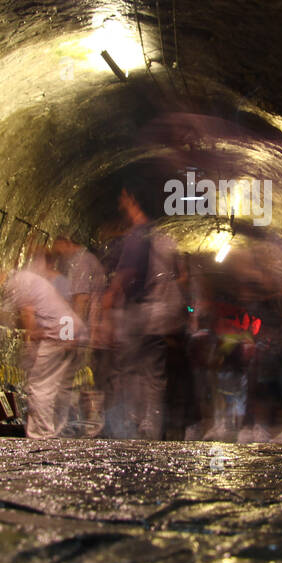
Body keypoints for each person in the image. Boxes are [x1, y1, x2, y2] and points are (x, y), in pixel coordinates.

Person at [102, 184, 185, 440]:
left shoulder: (138, 236)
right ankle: (151, 431)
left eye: (124, 198)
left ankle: (126, 430)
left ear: (133, 200)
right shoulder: (165, 238)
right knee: (154, 377)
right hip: (162, 318)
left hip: (140, 313)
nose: (121, 203)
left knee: (126, 371)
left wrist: (110, 299)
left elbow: (128, 274)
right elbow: (183, 276)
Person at [0, 242, 85, 439]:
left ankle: (41, 434)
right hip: (73, 329)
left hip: (59, 333)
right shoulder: (36, 281)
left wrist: (29, 341)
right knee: (60, 387)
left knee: (40, 385)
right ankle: (59, 429)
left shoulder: (17, 282)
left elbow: (28, 313)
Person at [52, 230, 108, 436]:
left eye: (56, 245)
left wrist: (69, 334)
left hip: (83, 334)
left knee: (77, 383)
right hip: (91, 333)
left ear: (66, 241)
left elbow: (80, 300)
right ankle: (90, 428)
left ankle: (82, 429)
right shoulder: (90, 260)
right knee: (88, 382)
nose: (55, 251)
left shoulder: (82, 262)